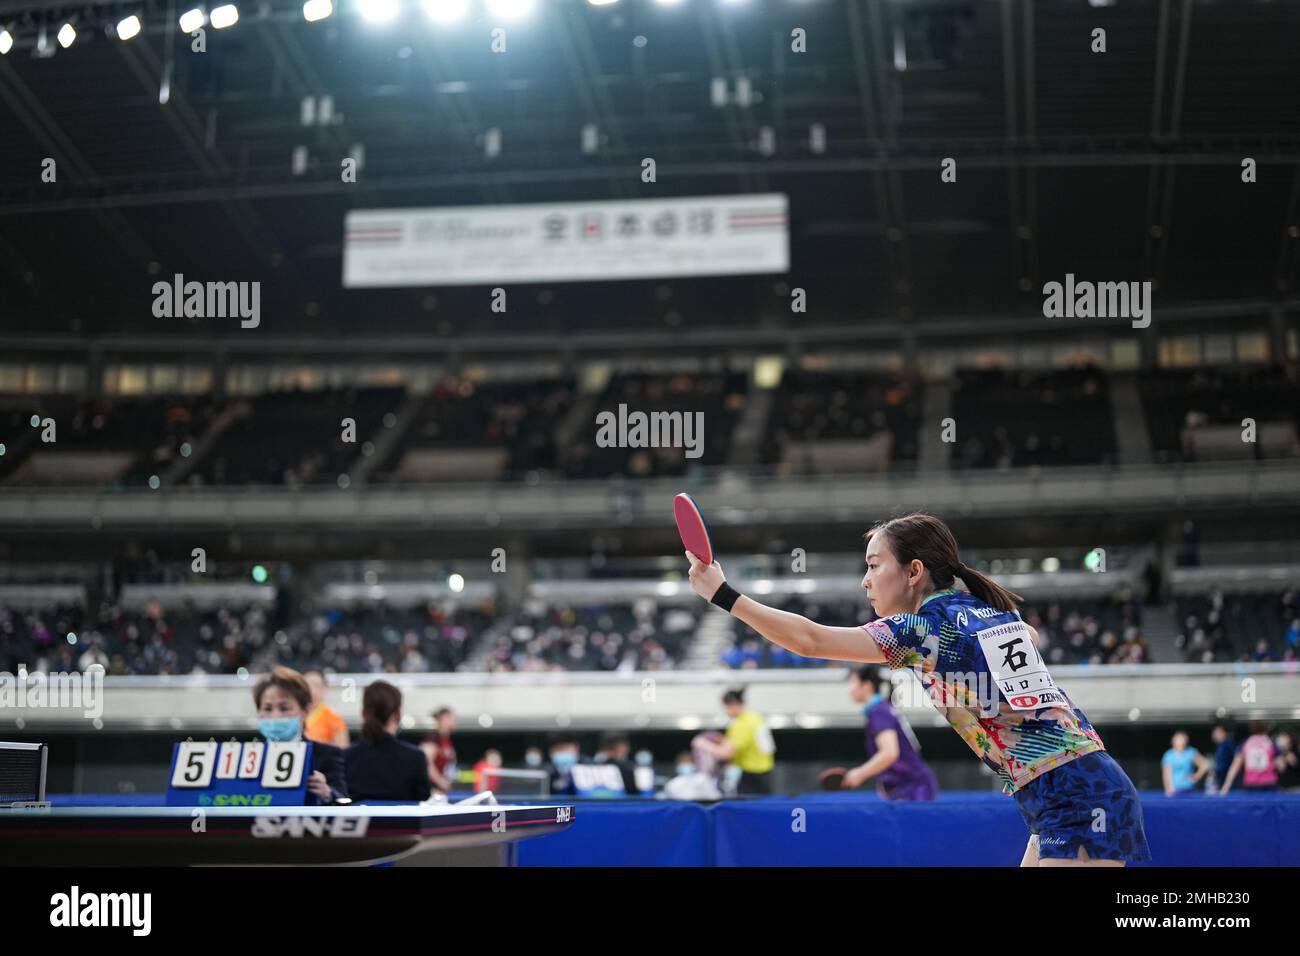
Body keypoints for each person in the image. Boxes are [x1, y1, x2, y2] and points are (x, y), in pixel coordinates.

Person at [685, 511, 1150, 866]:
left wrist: (724, 595)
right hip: (1067, 791)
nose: (865, 580)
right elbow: (1029, 637)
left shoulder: (921, 629)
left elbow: (810, 640)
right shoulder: (988, 611)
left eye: (873, 565)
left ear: (913, 572)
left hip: (1077, 795)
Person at [252, 665, 348, 806]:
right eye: (267, 708)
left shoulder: (327, 754)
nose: (275, 716)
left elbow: (345, 800)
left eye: (285, 708)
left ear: (306, 710)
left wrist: (327, 793)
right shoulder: (247, 757)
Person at [842, 664, 938, 800]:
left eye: (852, 682)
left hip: (913, 789)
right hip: (909, 785)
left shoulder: (879, 712)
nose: (849, 689)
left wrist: (859, 774)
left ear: (866, 686)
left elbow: (889, 753)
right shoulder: (882, 709)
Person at [343, 680, 432, 802]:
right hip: (403, 821)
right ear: (397, 714)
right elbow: (423, 799)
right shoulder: (415, 757)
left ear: (363, 713)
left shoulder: (345, 757)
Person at [693, 688, 776, 795]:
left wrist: (702, 744)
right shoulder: (755, 718)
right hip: (766, 772)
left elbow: (725, 753)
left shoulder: (741, 724)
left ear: (732, 705)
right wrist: (721, 739)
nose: (726, 711)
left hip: (753, 776)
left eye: (726, 707)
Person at [1219, 720, 1279, 794]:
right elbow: (1280, 765)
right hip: (1269, 783)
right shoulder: (1271, 743)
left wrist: (1226, 787)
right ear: (1266, 729)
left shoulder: (1246, 743)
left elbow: (1235, 766)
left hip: (1251, 783)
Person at [303, 669, 350, 748]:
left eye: (316, 685)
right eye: (307, 685)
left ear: (325, 688)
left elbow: (343, 750)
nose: (311, 690)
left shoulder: (334, 719)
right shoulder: (293, 715)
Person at [419, 706, 457, 793]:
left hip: (439, 789)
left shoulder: (447, 740)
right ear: (442, 718)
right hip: (429, 789)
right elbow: (426, 762)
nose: (454, 722)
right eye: (451, 718)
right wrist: (440, 782)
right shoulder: (432, 737)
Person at [1160, 730, 1208, 797]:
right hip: (1175, 791)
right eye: (1178, 739)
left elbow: (1205, 764)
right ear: (1173, 741)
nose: (1181, 741)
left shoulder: (1191, 752)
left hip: (1190, 789)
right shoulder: (1169, 755)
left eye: (1182, 738)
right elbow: (1166, 773)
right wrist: (1168, 788)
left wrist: (1197, 775)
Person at [1210, 721, 1236, 792]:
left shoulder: (1226, 746)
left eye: (1217, 732)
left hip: (1228, 782)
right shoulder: (1223, 745)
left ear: (1223, 733)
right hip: (1224, 781)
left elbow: (1226, 762)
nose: (1214, 734)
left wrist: (1215, 772)